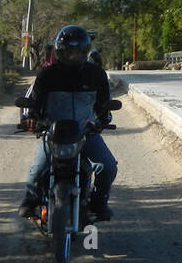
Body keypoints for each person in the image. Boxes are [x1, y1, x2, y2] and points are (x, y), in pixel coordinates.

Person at [18, 24, 118, 222]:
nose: (73, 57)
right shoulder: (47, 75)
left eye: (77, 52)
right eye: (68, 52)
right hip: (53, 134)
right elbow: (30, 101)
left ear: (85, 52)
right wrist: (29, 118)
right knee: (36, 173)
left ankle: (98, 202)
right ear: (59, 52)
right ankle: (32, 200)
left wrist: (102, 121)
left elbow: (104, 106)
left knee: (108, 166)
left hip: (85, 132)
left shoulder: (96, 75)